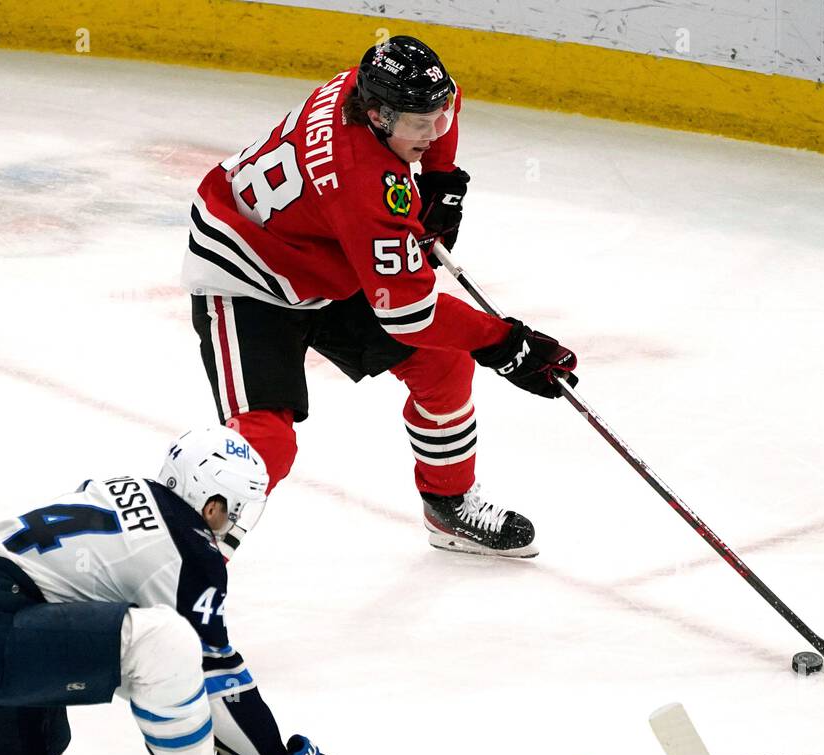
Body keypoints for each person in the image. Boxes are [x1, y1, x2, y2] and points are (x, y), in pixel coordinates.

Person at [181, 35, 577, 560]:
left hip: (327, 255)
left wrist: (437, 177)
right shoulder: (360, 182)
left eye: (434, 117)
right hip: (247, 276)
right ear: (378, 116)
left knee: (443, 367)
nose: (434, 129)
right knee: (264, 443)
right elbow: (411, 314)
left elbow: (448, 100)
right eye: (420, 125)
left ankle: (448, 507)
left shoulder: (374, 89)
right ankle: (174, 552)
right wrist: (506, 345)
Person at [0, 426, 339, 755]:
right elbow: (215, 675)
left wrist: (195, 727)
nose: (233, 523)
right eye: (233, 509)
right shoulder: (190, 551)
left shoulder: (126, 491)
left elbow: (121, 650)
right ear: (210, 503)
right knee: (169, 637)